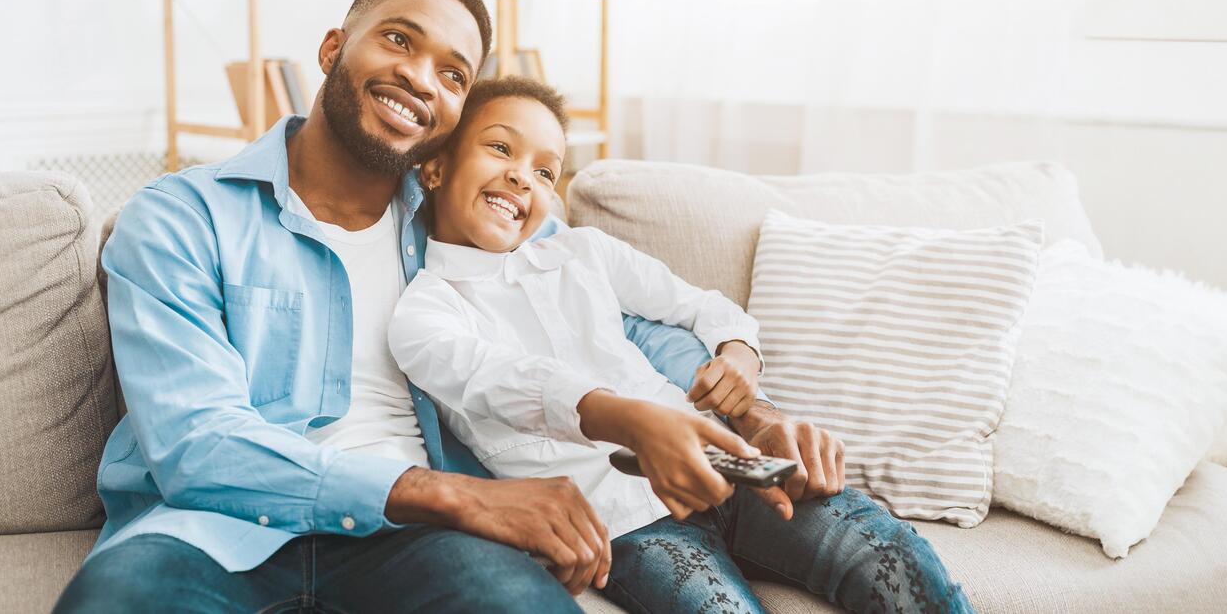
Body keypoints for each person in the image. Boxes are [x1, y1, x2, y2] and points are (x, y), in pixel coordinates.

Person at [54, 0, 851, 613]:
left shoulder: (467, 223)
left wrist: (751, 407)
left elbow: (626, 325)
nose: (418, 77)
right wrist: (453, 497)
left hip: (419, 544)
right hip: (210, 532)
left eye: (452, 73)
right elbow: (198, 446)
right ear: (335, 47)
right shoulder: (182, 217)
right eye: (397, 39)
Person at [389, 76, 974, 614]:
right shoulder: (425, 312)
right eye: (501, 149)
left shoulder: (585, 251)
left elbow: (704, 307)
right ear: (435, 169)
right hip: (623, 524)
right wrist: (631, 419)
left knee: (891, 556)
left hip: (727, 466)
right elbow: (504, 381)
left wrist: (739, 353)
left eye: (546, 171)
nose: (523, 176)